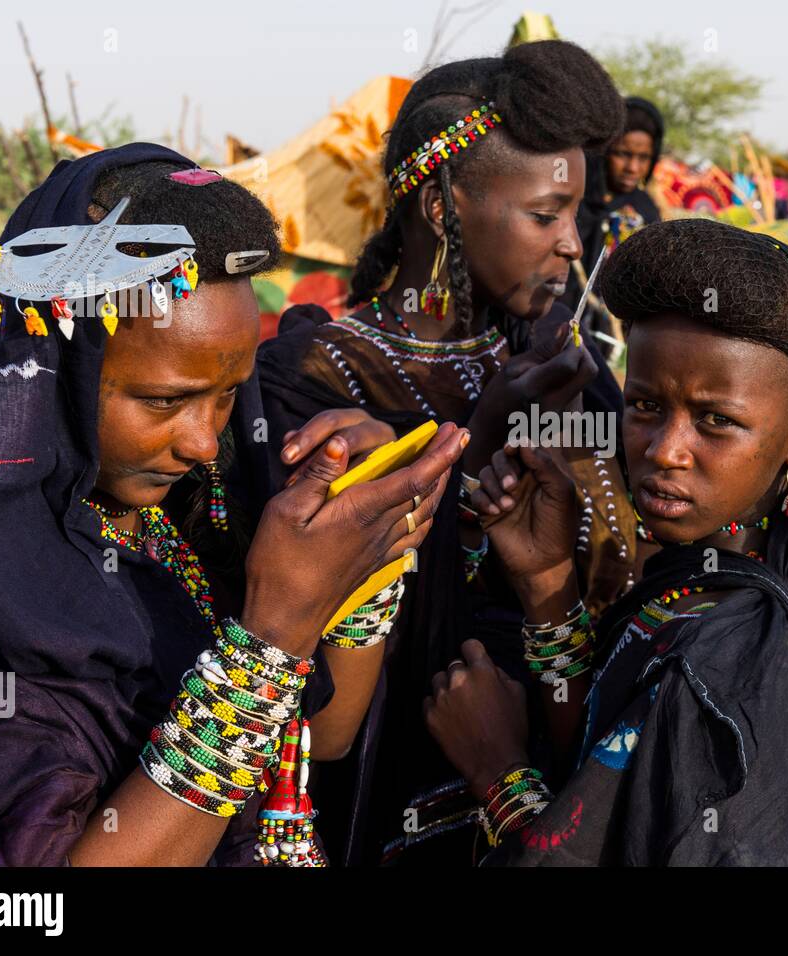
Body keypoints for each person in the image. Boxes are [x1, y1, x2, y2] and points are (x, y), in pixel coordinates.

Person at [0, 144, 466, 866]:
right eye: (164, 400)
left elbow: (319, 736)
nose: (206, 443)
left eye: (229, 392)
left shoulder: (188, 520)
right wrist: (268, 641)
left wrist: (364, 557)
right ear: (55, 369)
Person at [257, 40, 642, 865]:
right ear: (442, 210)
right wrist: (479, 446)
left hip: (550, 784)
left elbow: (624, 583)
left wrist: (590, 453)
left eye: (577, 215)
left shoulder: (563, 367)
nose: (574, 245)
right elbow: (306, 618)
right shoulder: (308, 378)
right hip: (370, 791)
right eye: (546, 216)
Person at [425, 218, 788, 864]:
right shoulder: (712, 581)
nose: (665, 451)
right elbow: (614, 760)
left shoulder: (730, 665)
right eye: (644, 406)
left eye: (716, 420)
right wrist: (548, 583)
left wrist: (499, 773)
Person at [564, 96, 665, 337]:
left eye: (643, 158)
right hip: (560, 319)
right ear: (604, 151)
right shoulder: (574, 197)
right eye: (623, 154)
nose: (632, 167)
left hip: (615, 332)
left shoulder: (645, 209)